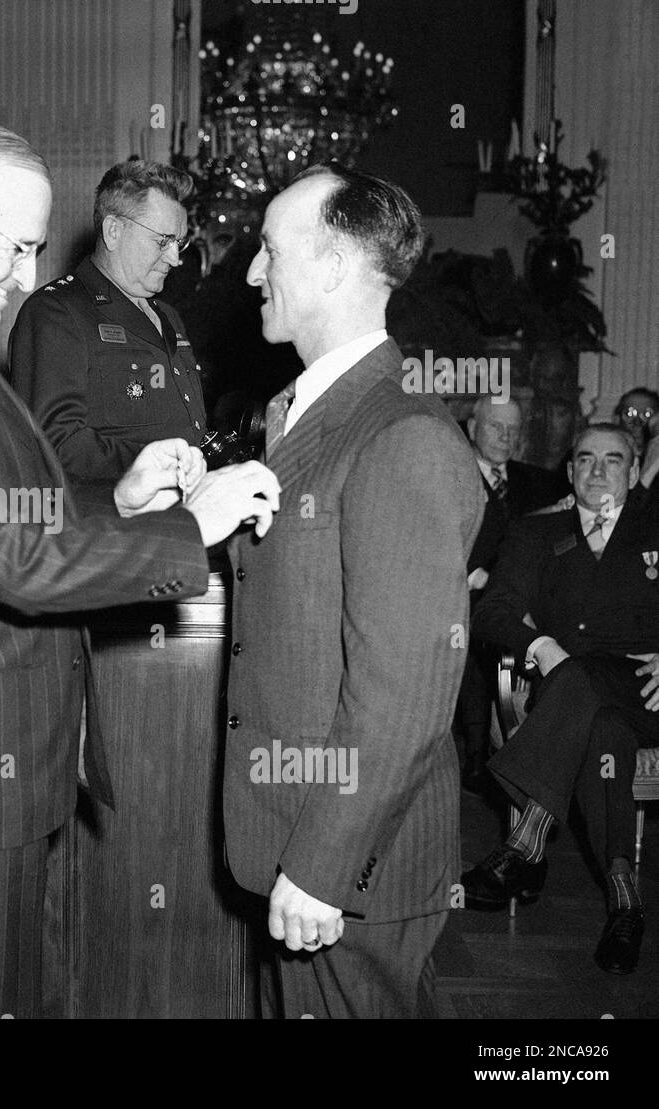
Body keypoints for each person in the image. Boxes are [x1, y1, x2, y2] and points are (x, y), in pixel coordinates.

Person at [0, 117, 280, 1018]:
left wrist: (125, 502)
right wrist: (191, 524)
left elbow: (6, 511)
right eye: (18, 246)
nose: (30, 276)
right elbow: (16, 560)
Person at [221, 163, 484, 1018]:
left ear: (333, 266)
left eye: (268, 250)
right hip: (301, 836)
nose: (253, 272)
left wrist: (322, 865)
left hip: (348, 866)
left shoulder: (401, 432)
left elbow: (404, 696)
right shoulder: (305, 411)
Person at [463, 424, 659, 975]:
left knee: (581, 685)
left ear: (635, 467)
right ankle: (625, 902)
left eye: (613, 460)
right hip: (576, 699)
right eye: (586, 460)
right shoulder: (535, 533)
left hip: (647, 692)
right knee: (602, 733)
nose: (598, 472)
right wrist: (541, 647)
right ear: (570, 470)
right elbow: (492, 612)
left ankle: (526, 845)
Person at [7, 160, 208, 485]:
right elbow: (53, 445)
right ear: (114, 230)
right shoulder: (56, 313)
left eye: (179, 243)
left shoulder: (168, 316)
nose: (175, 258)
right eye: (163, 241)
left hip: (184, 517)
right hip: (111, 522)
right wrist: (164, 470)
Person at [455, 395, 568, 787]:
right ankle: (476, 751)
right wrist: (479, 578)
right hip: (464, 592)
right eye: (495, 426)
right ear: (472, 429)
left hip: (527, 594)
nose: (506, 436)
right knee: (477, 627)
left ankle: (542, 750)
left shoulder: (537, 481)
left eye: (513, 428)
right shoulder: (450, 474)